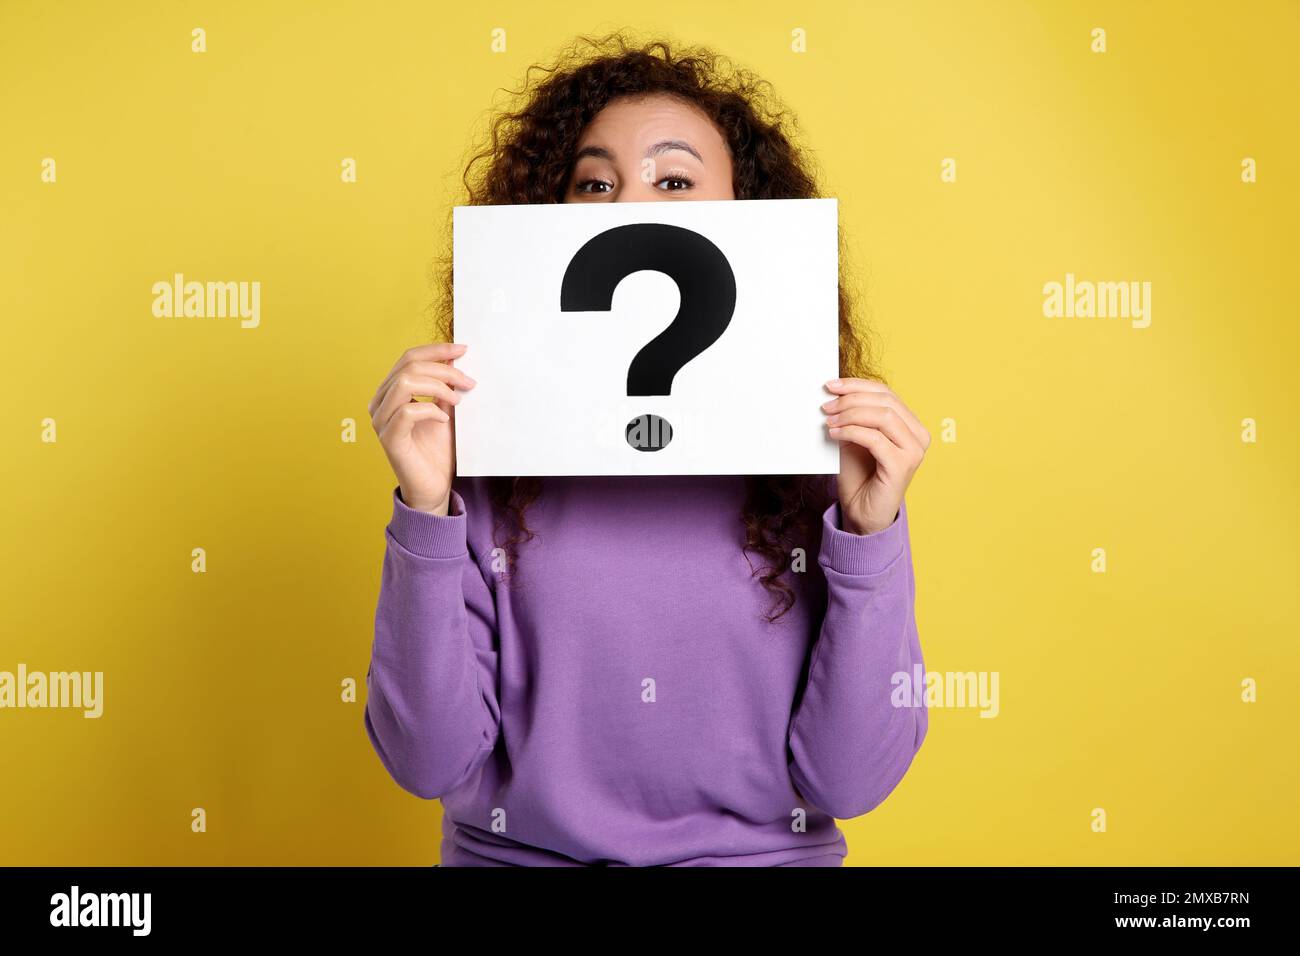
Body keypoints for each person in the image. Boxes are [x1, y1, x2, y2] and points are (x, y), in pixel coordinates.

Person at [363, 34, 930, 866]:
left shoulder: (818, 467)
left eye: (673, 180)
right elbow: (426, 762)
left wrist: (871, 540)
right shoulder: (482, 461)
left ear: (749, 215)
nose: (631, 206)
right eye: (595, 182)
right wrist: (424, 512)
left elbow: (851, 784)